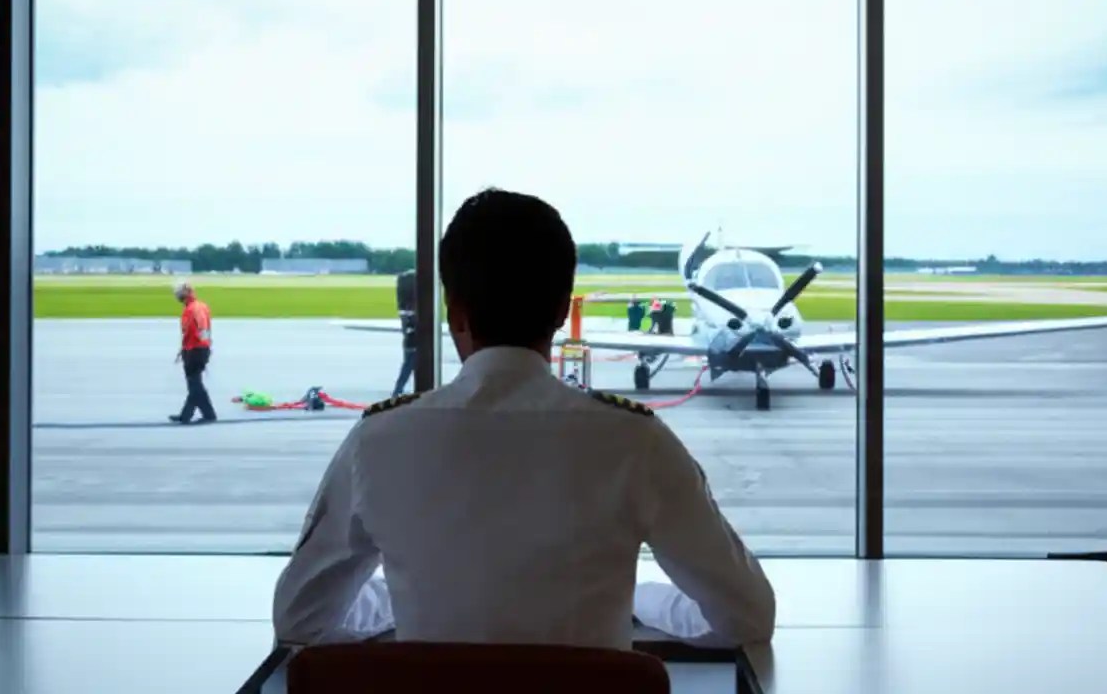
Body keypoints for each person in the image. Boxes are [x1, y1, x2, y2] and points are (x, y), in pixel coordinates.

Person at [272, 188, 774, 649]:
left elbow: (301, 617)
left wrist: (403, 601)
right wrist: (639, 598)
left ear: (455, 313)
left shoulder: (377, 441)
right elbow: (747, 617)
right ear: (561, 309)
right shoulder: (636, 441)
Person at [169, 282, 217, 425]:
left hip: (195, 350)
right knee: (194, 384)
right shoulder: (199, 306)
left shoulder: (193, 309)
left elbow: (201, 328)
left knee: (195, 385)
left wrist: (200, 347)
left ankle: (208, 415)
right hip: (196, 348)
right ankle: (186, 415)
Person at [393, 270, 418, 397]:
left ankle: (398, 390)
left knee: (409, 363)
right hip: (414, 336)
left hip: (409, 336)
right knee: (410, 363)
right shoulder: (412, 310)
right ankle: (398, 391)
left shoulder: (404, 309)